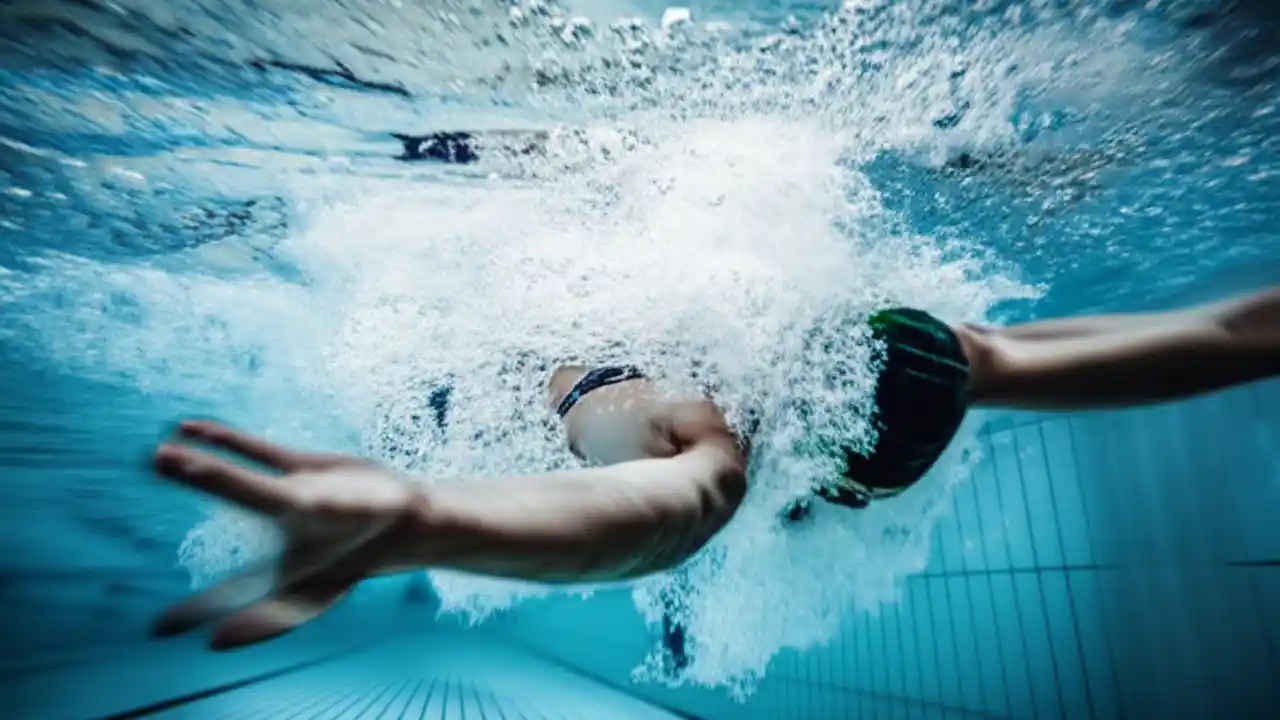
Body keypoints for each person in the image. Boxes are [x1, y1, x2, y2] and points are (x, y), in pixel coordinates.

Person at [150, 286, 1280, 651]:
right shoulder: (664, 337)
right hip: (905, 353)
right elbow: (690, 491)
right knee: (1026, 360)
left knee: (731, 506)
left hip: (830, 433)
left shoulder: (603, 390)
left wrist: (432, 518)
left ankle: (702, 605)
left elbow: (684, 503)